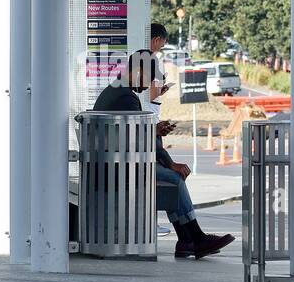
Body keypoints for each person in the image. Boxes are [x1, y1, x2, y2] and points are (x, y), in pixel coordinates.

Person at [93, 50, 233, 260]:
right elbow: (139, 140)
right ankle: (192, 237)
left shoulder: (117, 91)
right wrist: (169, 161)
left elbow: (135, 135)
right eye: (150, 78)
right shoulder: (126, 97)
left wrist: (155, 132)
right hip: (119, 171)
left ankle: (188, 240)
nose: (150, 84)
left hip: (113, 165)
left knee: (170, 176)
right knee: (174, 179)